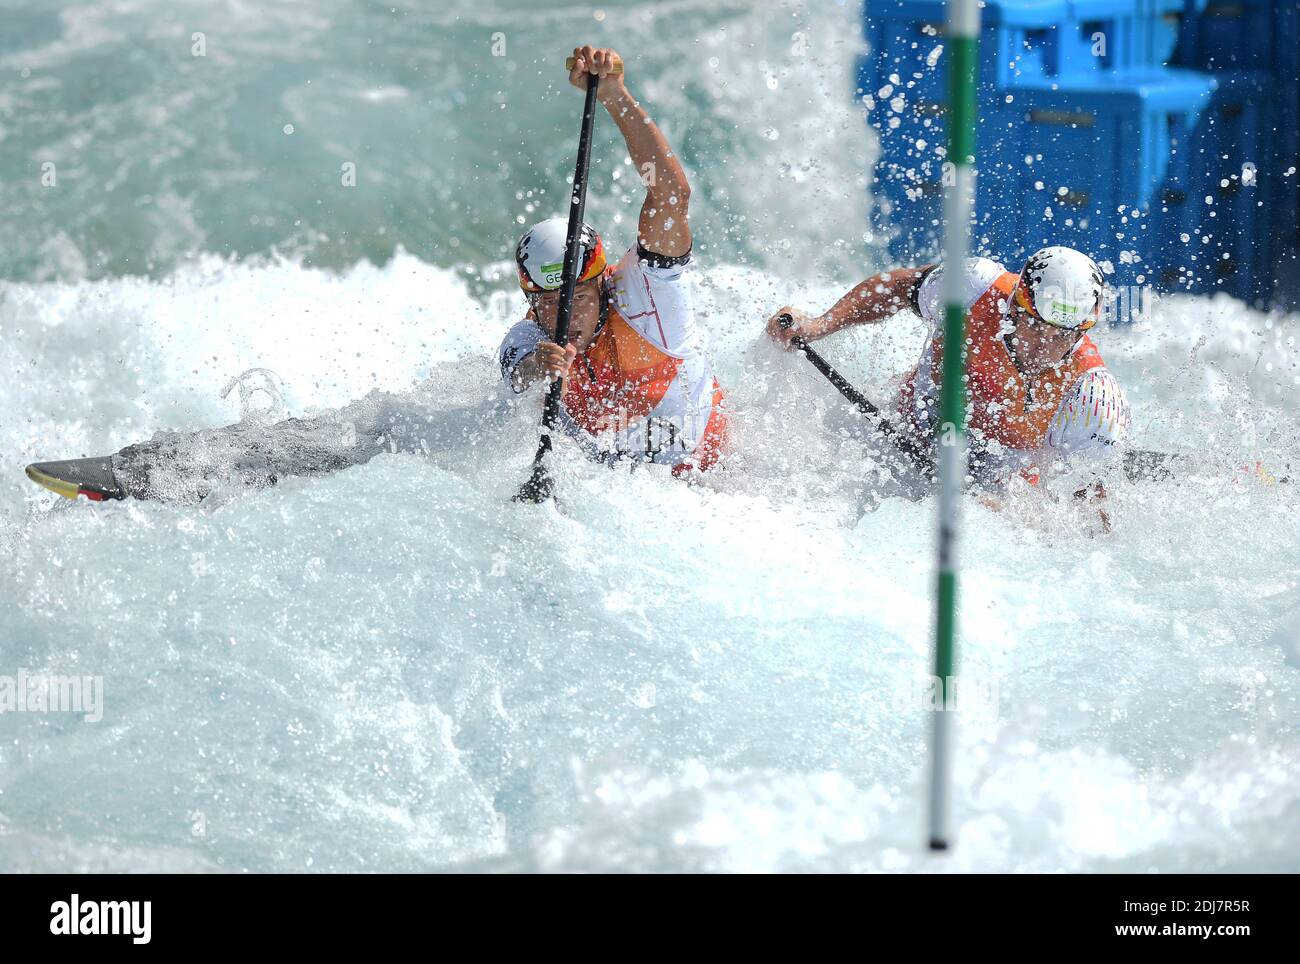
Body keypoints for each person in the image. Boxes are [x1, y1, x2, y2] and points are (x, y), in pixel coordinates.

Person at [498, 46, 727, 476]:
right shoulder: (530, 336)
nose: (560, 313)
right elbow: (517, 374)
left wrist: (614, 96)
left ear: (602, 283)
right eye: (545, 301)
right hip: (618, 489)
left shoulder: (647, 298)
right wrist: (538, 367)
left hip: (706, 475)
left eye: (576, 295)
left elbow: (671, 197)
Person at [766, 246, 1131, 506]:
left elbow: (1086, 510)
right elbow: (896, 287)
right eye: (1036, 327)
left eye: (1063, 335)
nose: (1045, 346)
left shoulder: (1093, 395)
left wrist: (1017, 519)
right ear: (1015, 307)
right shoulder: (975, 288)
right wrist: (821, 325)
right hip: (903, 422)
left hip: (995, 489)